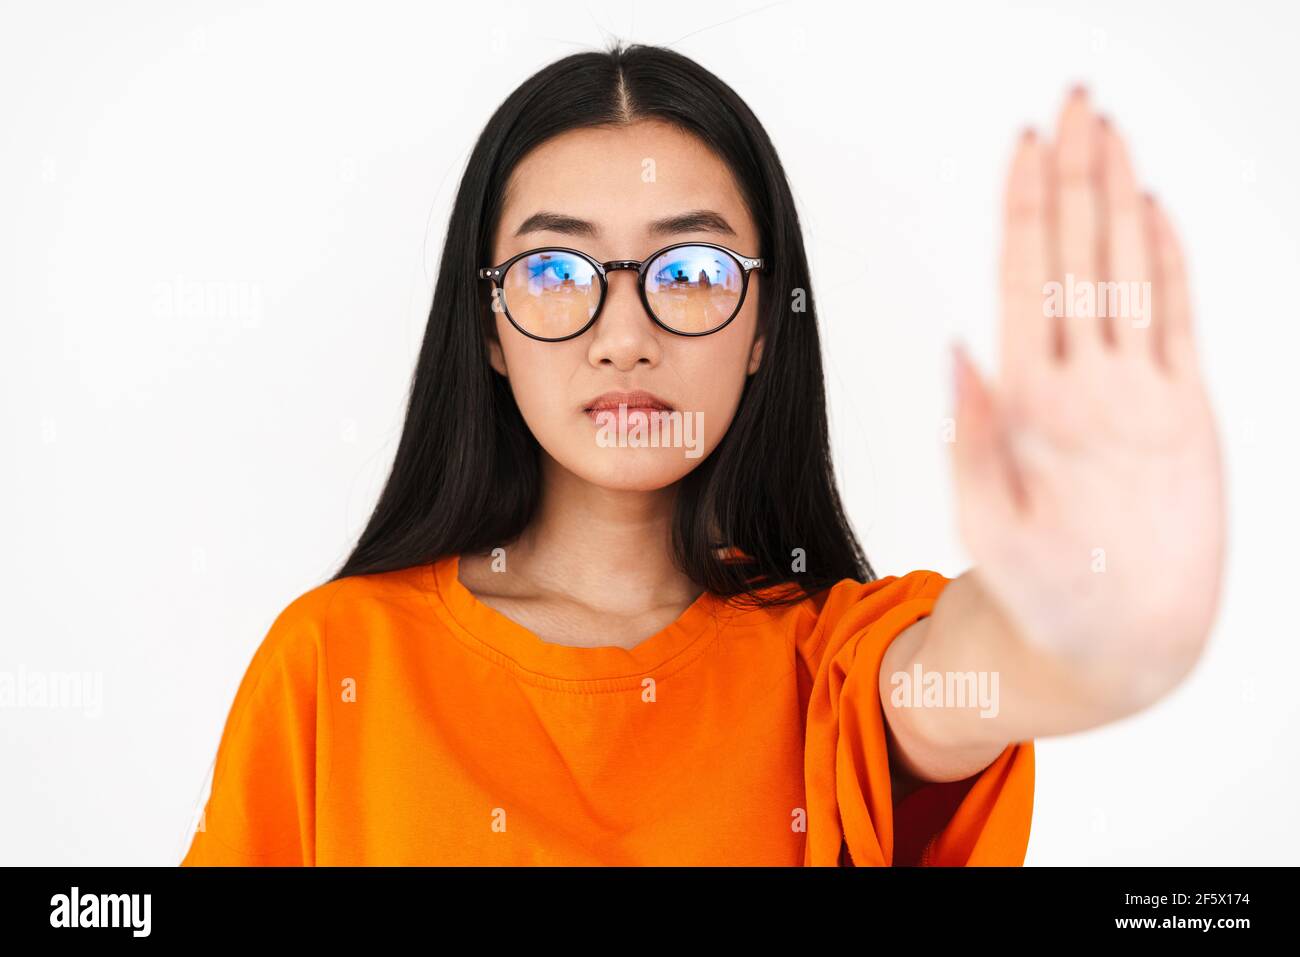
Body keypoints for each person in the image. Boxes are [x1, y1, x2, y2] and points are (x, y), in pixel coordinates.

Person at [180, 42, 1225, 866]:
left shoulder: (827, 670)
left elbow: (967, 680)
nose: (624, 331)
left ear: (766, 323)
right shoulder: (334, 660)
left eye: (690, 269)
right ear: (489, 327)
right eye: (554, 267)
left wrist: (1091, 623)